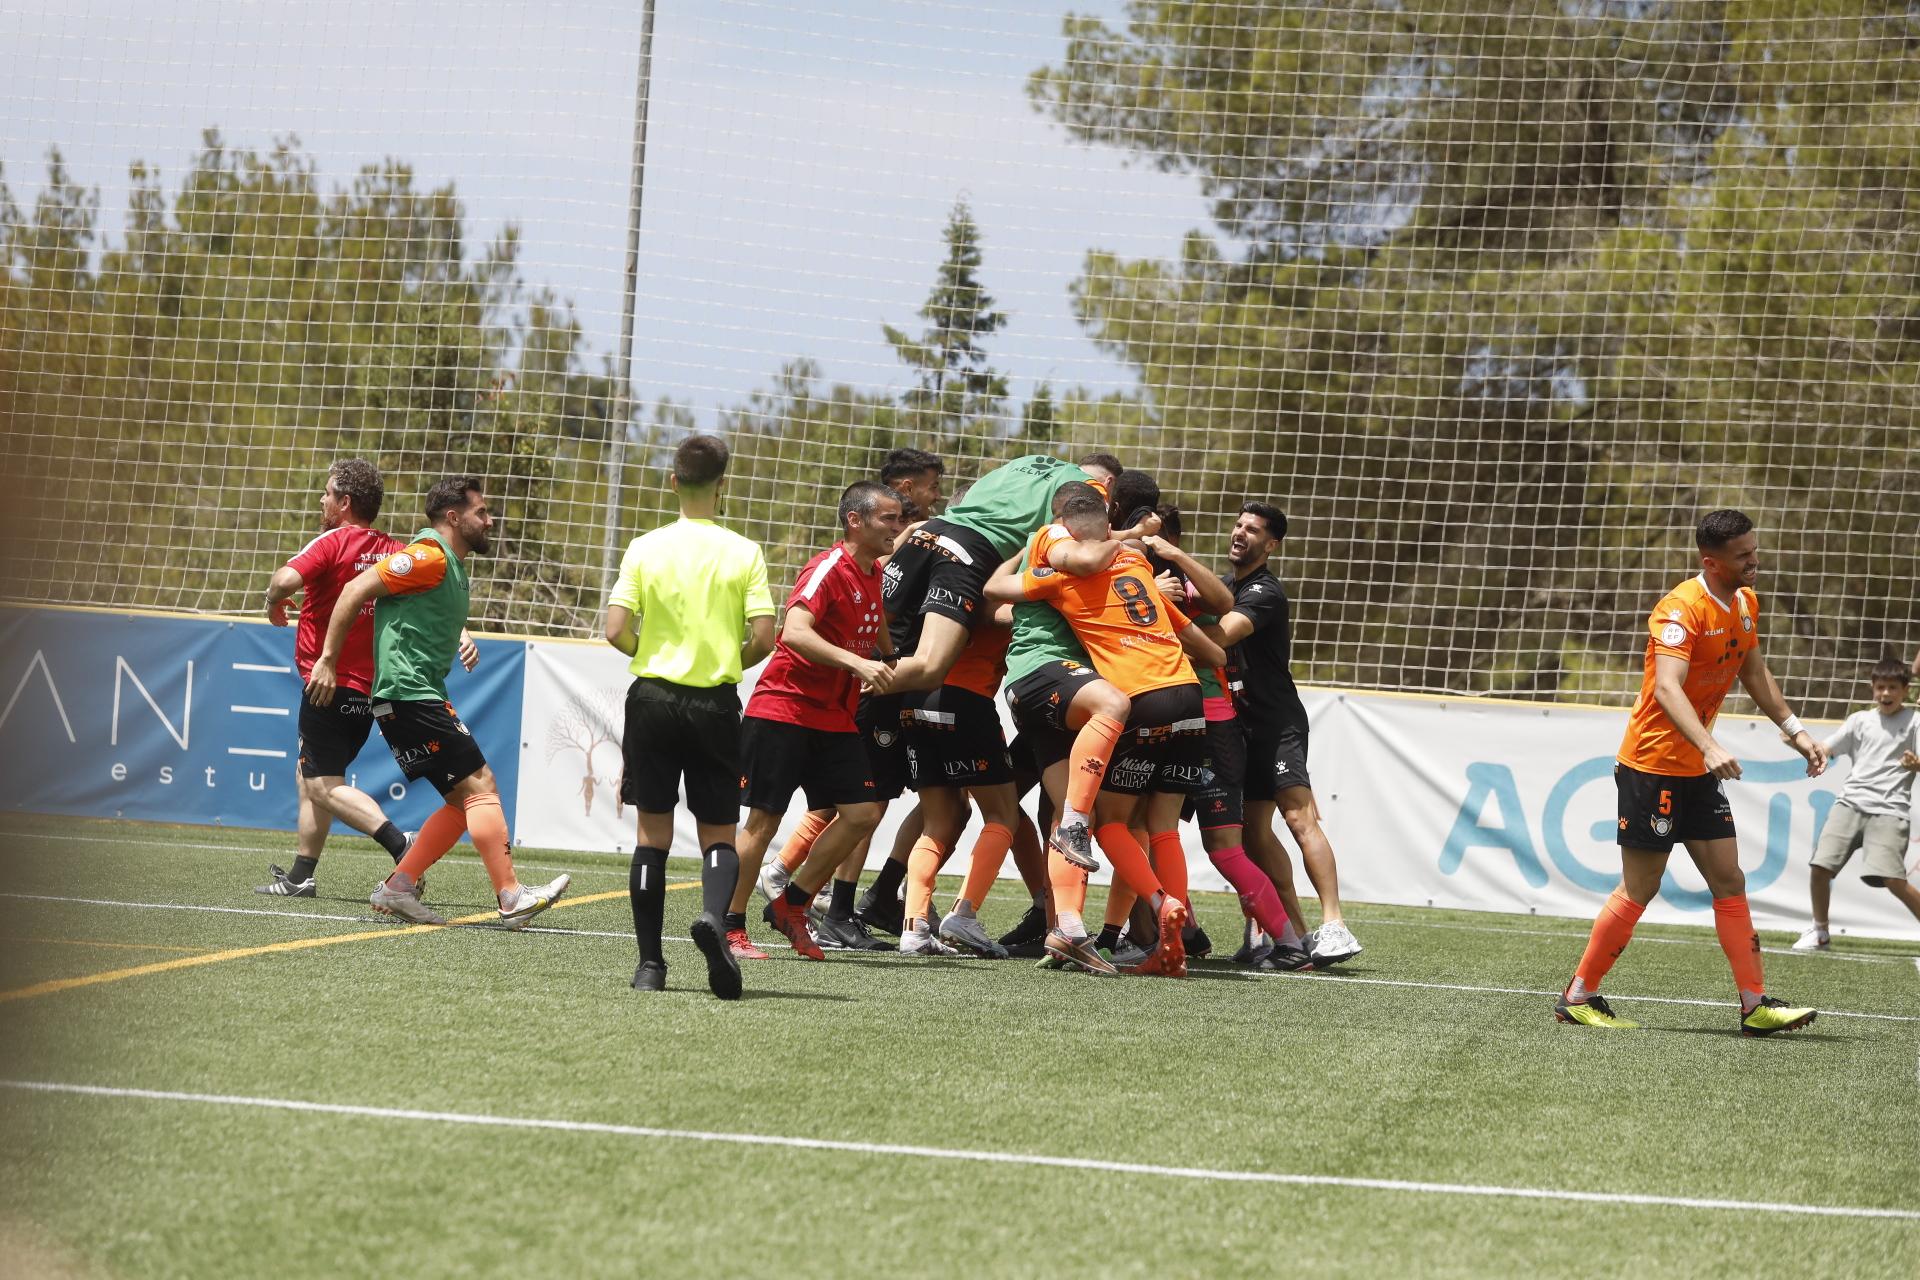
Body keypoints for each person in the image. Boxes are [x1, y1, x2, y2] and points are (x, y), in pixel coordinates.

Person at [1555, 509, 1825, 1036]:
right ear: (1712, 561)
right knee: (1641, 888)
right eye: (1744, 555)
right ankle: (1578, 995)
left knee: (1729, 879)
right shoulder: (1681, 610)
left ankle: (1755, 1005)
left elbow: (1753, 670)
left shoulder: (1745, 603)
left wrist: (1796, 730)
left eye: (1754, 549)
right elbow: (1667, 688)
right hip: (1653, 766)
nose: (1755, 561)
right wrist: (1709, 745)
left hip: (1698, 771)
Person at [310, 477, 569, 931]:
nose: (490, 520)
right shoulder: (426, 556)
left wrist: (461, 635)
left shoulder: (447, 563)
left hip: (409, 698)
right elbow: (354, 591)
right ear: (454, 517)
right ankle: (511, 897)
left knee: (459, 802)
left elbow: (415, 609)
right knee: (482, 786)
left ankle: (399, 885)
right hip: (409, 696)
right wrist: (328, 660)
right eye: (482, 512)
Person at [986, 488, 1226, 975]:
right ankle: (1162, 928)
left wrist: (1034, 552)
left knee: (1106, 821)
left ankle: (1140, 909)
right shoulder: (1139, 570)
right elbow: (1216, 654)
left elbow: (995, 593)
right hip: (1189, 698)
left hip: (1135, 697)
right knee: (1160, 827)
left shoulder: (1062, 576)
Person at [605, 435, 778, 999]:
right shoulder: (744, 551)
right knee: (718, 833)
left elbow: (614, 628)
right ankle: (712, 921)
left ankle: (650, 966)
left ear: (673, 481)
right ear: (723, 484)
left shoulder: (645, 547)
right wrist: (729, 660)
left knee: (652, 834)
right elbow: (764, 637)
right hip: (714, 702)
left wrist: (647, 653)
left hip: (653, 697)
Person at [258, 460, 471, 897]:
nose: (322, 500)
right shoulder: (395, 550)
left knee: (322, 785)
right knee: (312, 777)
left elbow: (286, 578)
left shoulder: (334, 541)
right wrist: (463, 633)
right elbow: (433, 595)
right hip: (371, 690)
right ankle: (301, 876)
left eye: (327, 493)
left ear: (344, 502)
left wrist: (273, 599)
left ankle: (400, 843)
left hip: (327, 683)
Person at [1200, 503, 1361, 966]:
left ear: (1270, 545)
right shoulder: (1223, 587)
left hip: (1276, 723)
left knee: (1298, 818)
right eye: (1237, 525)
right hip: (1236, 727)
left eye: (1252, 530)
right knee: (1252, 835)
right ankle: (1292, 934)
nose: (1239, 533)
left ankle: (1334, 925)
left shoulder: (1264, 591)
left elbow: (1223, 635)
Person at [749, 482, 903, 960]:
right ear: (855, 521)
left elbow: (875, 619)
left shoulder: (874, 569)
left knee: (862, 812)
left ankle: (792, 904)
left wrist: (891, 657)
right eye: (889, 519)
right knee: (763, 821)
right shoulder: (826, 567)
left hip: (834, 714)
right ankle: (728, 923)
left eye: (900, 520)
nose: (897, 528)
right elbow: (793, 631)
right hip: (786, 706)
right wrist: (858, 665)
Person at [1792, 656, 1920, 950]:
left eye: (1892, 688)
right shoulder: (1859, 720)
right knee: (1820, 867)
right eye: (1880, 687)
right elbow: (1827, 747)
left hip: (1890, 811)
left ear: (1905, 689)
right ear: (1872, 688)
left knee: (1893, 880)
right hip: (1849, 804)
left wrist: (1917, 765)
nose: (1885, 693)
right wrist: (1806, 747)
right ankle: (1820, 931)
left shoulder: (1915, 722)